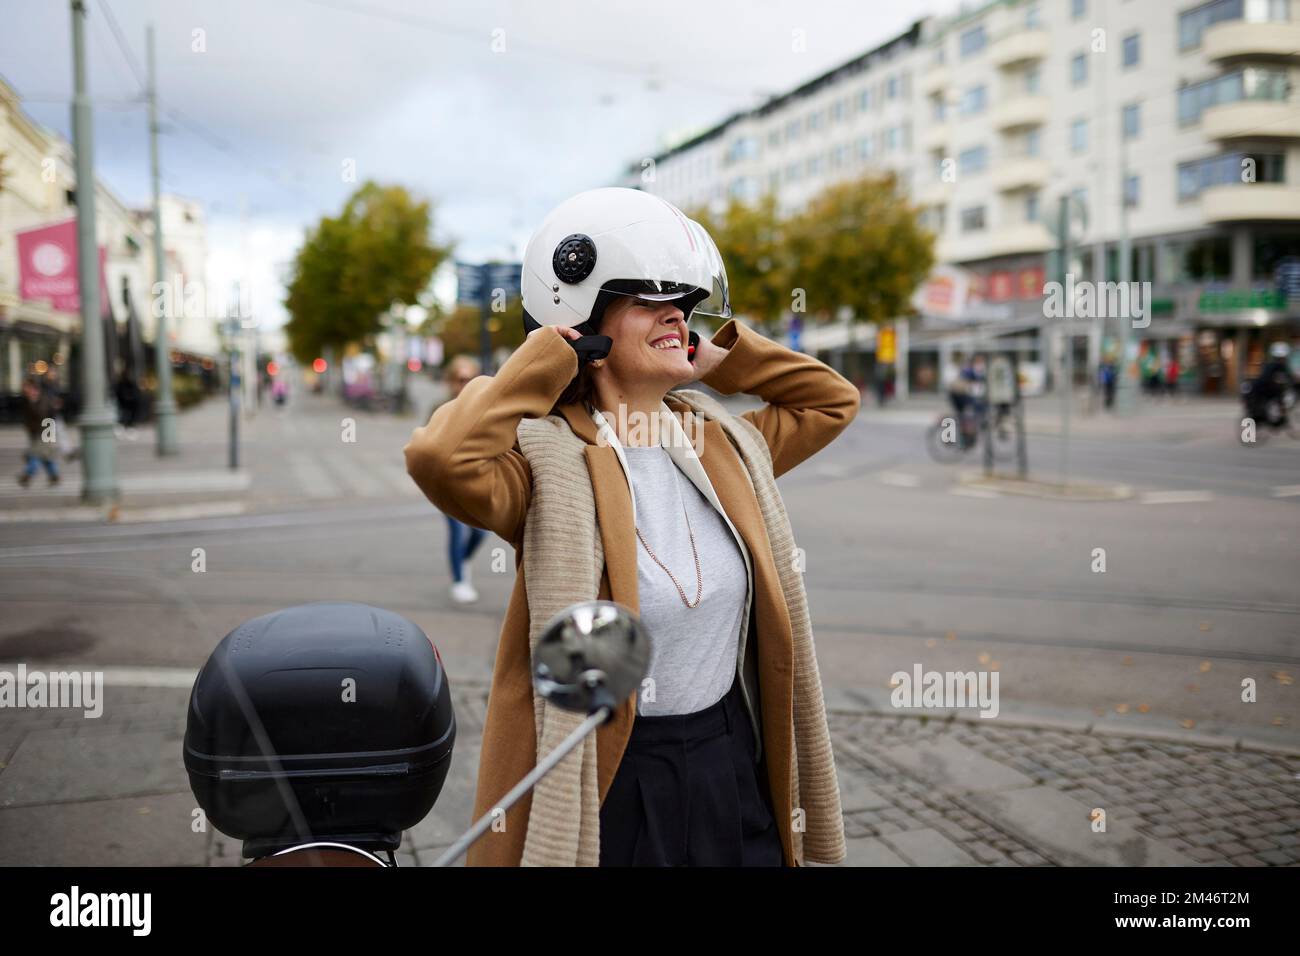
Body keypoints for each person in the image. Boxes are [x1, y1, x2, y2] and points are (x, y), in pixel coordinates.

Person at [404, 186, 857, 868]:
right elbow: (442, 457)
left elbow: (831, 401)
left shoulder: (723, 442)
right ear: (583, 321)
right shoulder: (544, 459)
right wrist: (547, 359)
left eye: (684, 300)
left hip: (732, 757)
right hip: (613, 768)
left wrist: (727, 356)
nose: (677, 313)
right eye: (649, 298)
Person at [427, 355, 487, 603]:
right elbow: (426, 444)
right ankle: (460, 581)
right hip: (448, 482)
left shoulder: (484, 406)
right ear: (451, 382)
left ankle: (463, 559)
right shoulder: (440, 407)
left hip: (477, 481)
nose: (465, 385)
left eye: (471, 379)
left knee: (481, 533)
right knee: (456, 530)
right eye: (461, 379)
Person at [17, 376, 60, 487]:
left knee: (35, 455)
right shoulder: (27, 400)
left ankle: (27, 475)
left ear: (34, 389)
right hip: (36, 432)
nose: (25, 390)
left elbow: (43, 415)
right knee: (45, 455)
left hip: (46, 429)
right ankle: (54, 475)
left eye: (27, 387)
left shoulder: (41, 400)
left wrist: (32, 402)